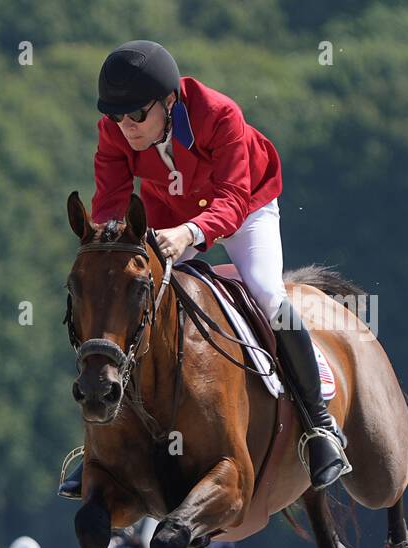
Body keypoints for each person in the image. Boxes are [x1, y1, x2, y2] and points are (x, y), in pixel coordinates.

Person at [60, 39, 348, 500]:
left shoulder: (220, 115)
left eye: (136, 115)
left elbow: (231, 200)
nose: (126, 127)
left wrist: (189, 235)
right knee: (132, 302)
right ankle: (102, 446)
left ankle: (320, 427)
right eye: (118, 117)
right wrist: (110, 243)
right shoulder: (114, 130)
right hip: (167, 214)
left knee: (268, 294)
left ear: (169, 101)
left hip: (246, 208)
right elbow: (112, 200)